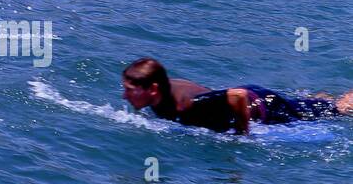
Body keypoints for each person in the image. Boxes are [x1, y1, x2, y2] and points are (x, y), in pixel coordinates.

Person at [121, 57, 353, 135]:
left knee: (339, 111)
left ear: (152, 89)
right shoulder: (161, 91)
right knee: (311, 105)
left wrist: (243, 135)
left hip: (265, 107)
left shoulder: (186, 105)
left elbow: (237, 96)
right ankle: (321, 99)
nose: (124, 96)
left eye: (131, 90)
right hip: (254, 96)